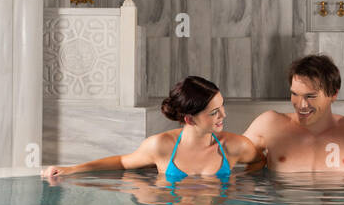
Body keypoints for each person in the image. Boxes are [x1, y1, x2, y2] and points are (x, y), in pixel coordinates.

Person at [40, 76, 264, 181]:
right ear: (189, 119)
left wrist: (240, 183)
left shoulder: (235, 146)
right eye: (214, 112)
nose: (223, 115)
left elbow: (260, 162)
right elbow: (121, 162)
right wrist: (71, 170)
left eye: (222, 107)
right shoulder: (161, 146)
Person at [242, 54, 344, 173]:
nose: (301, 105)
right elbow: (228, 154)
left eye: (311, 96)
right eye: (294, 94)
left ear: (333, 94)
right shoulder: (270, 124)